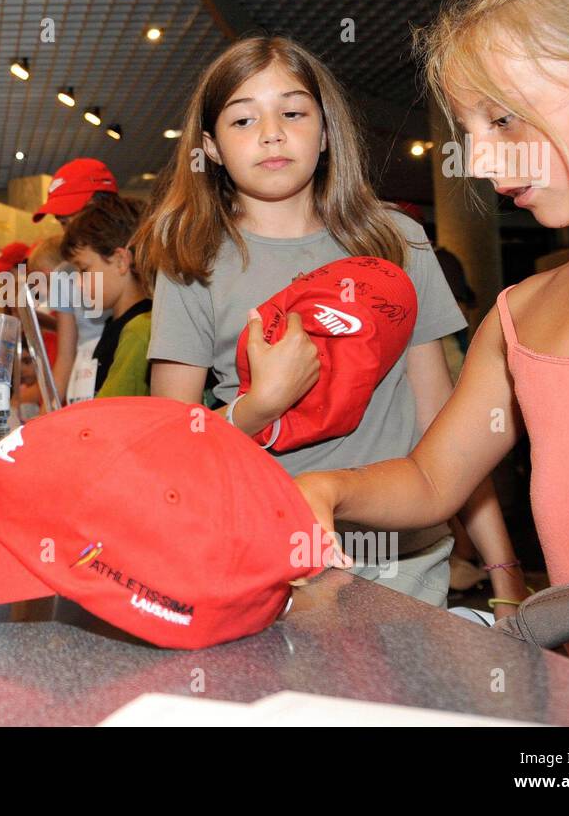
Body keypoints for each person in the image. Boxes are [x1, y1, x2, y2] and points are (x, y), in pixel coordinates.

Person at [296, 0, 569, 705]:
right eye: (469, 133)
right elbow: (429, 477)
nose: (478, 163)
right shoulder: (522, 314)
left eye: (504, 121)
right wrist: (330, 489)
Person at [133, 33, 525, 609]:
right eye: (242, 121)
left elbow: (443, 424)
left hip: (401, 559)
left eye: (292, 112)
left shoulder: (398, 241)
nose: (271, 133)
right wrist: (260, 405)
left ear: (324, 132)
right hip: (261, 557)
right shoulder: (191, 256)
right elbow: (172, 447)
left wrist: (504, 568)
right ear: (211, 147)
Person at [32, 158, 119, 398]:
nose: (68, 232)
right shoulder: (64, 275)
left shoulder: (135, 265)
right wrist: (46, 415)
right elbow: (65, 356)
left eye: (72, 219)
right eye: (62, 223)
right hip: (81, 389)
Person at [61, 196, 152, 397]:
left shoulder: (139, 330)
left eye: (84, 269)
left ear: (121, 261)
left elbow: (109, 413)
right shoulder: (115, 323)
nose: (78, 283)